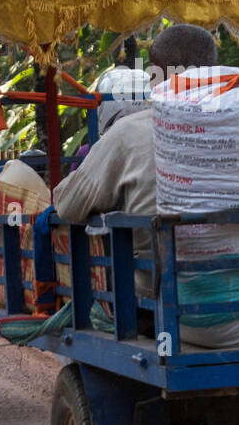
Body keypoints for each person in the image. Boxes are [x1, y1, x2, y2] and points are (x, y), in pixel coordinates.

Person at [53, 24, 219, 301]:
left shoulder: (127, 132)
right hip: (237, 278)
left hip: (152, 293)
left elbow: (69, 205)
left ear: (155, 72)